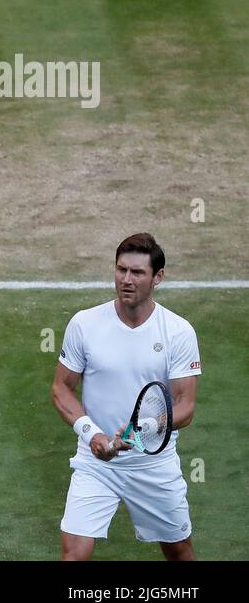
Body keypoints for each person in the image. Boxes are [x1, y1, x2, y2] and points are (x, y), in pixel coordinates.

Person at [51, 233, 201, 560]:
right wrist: (92, 434)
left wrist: (141, 429)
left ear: (157, 277)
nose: (126, 280)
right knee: (73, 555)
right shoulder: (84, 324)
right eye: (121, 270)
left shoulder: (178, 332)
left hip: (154, 465)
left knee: (179, 553)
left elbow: (185, 407)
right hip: (96, 464)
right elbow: (61, 388)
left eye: (137, 273)